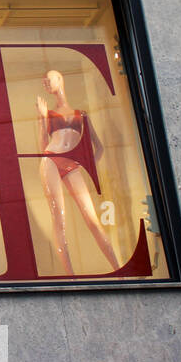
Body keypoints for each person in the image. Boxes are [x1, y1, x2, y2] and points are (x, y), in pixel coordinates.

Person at [34, 70, 120, 274]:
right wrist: (41, 119)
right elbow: (42, 146)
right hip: (51, 160)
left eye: (49, 78)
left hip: (72, 165)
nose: (46, 82)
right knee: (59, 217)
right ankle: (71, 278)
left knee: (92, 219)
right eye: (44, 80)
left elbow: (98, 147)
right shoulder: (48, 113)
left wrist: (86, 165)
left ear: (60, 79)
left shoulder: (81, 114)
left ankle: (119, 270)